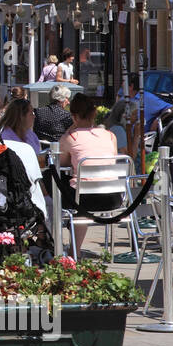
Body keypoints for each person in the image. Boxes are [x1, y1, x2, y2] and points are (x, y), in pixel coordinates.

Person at [58, 92, 122, 251]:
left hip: (84, 199)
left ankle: (71, 248)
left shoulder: (70, 138)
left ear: (73, 116)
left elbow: (61, 163)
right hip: (113, 197)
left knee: (51, 181)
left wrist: (71, 128)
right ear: (94, 114)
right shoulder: (110, 135)